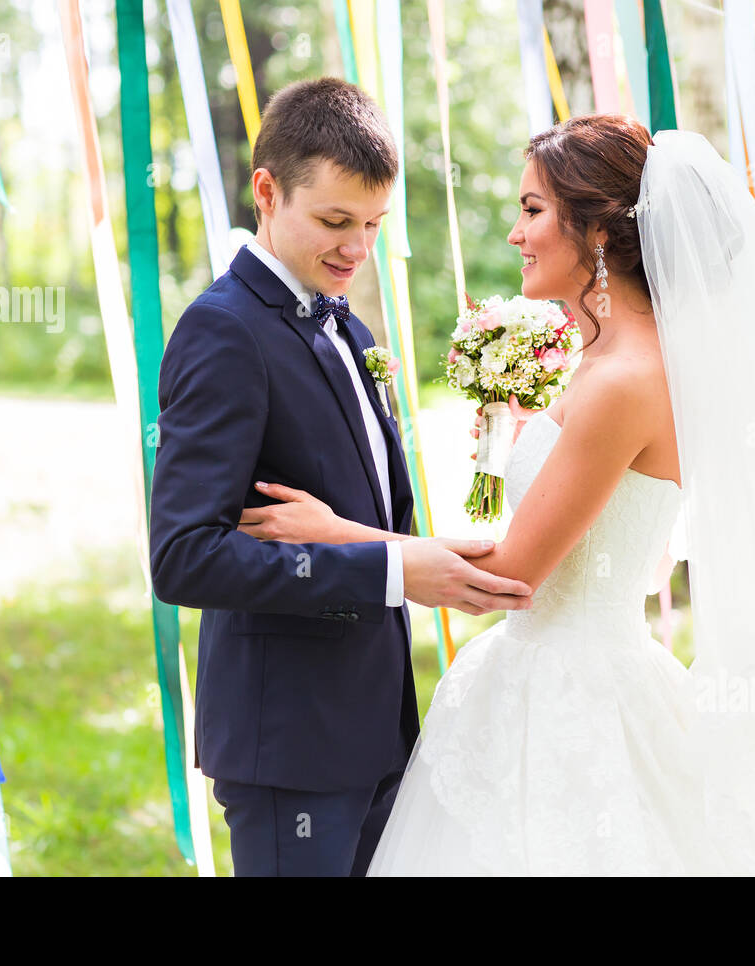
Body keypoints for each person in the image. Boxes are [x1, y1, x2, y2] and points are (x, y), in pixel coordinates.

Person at [240, 114, 755, 875]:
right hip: (580, 672)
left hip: (571, 702)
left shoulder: (623, 381)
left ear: (599, 231)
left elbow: (511, 575)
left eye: (533, 209)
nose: (515, 234)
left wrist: (332, 530)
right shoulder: (612, 364)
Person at [148, 77, 534, 877]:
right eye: (333, 221)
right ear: (267, 191)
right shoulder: (222, 332)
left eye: (372, 225)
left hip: (377, 727)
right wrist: (395, 569)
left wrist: (421, 555)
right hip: (289, 742)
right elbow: (185, 555)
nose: (357, 248)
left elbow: (358, 510)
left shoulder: (347, 324)